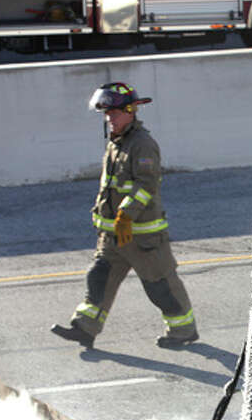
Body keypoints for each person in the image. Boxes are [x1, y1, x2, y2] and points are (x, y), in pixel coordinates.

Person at [50, 82, 198, 349]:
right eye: (107, 114)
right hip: (114, 236)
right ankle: (85, 328)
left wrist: (125, 215)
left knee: (160, 286)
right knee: (98, 279)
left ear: (131, 112)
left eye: (115, 114)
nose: (109, 119)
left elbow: (146, 186)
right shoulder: (115, 144)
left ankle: (183, 330)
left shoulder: (143, 145)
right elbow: (110, 187)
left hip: (142, 237)